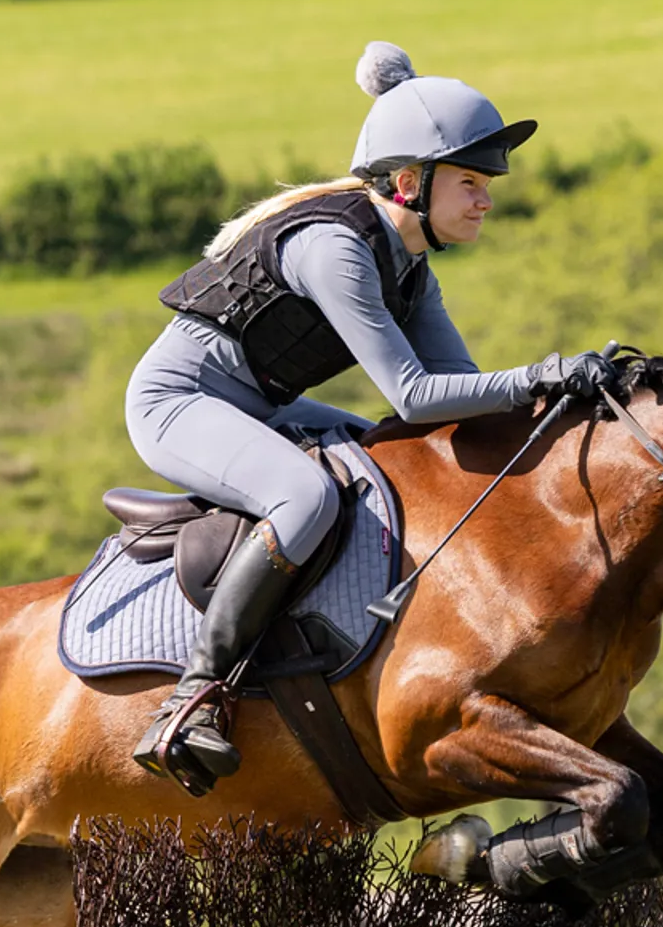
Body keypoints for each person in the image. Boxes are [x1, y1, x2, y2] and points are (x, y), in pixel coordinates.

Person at [125, 39, 622, 792]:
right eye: (470, 181)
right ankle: (194, 696)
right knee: (308, 496)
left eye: (486, 182)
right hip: (180, 401)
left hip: (263, 402)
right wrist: (543, 373)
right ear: (408, 182)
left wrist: (558, 401)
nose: (486, 198)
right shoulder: (336, 249)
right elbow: (416, 396)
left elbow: (457, 400)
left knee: (394, 462)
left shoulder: (410, 268)